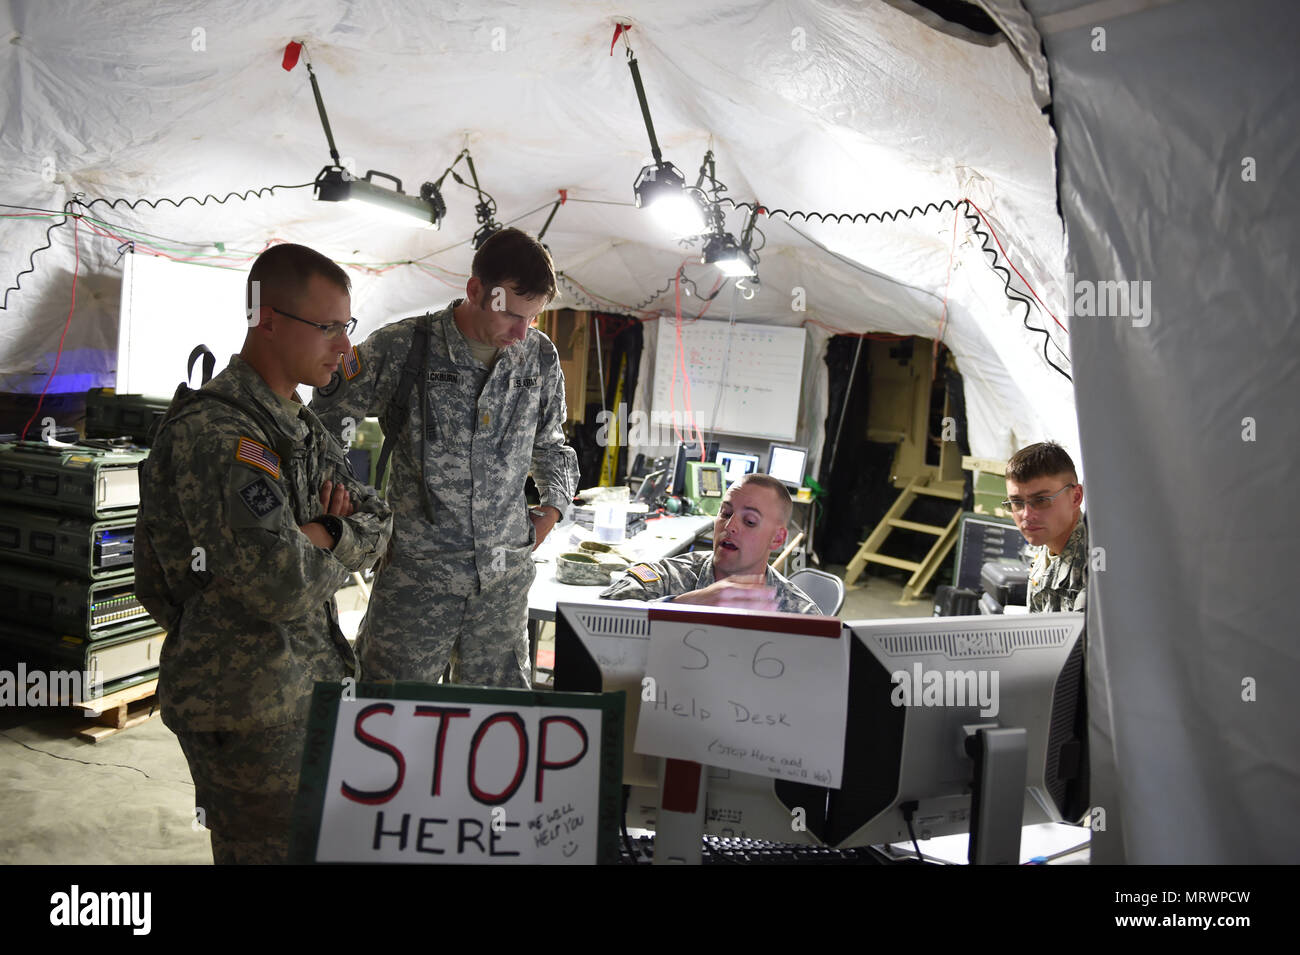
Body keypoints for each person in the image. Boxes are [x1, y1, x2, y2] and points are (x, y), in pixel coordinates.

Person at [134, 243, 394, 864]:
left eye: (347, 326)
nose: (345, 346)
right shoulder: (219, 433)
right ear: (269, 319)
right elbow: (280, 583)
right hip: (248, 710)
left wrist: (319, 532)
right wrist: (334, 533)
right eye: (328, 327)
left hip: (306, 691)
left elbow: (380, 518)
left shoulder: (296, 424)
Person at [312, 227, 579, 688]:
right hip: (417, 584)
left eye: (532, 318)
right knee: (388, 713)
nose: (521, 332)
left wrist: (552, 509)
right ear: (475, 290)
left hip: (501, 586)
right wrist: (357, 511)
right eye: (512, 315)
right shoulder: (404, 347)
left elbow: (552, 444)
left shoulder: (538, 357)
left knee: (498, 721)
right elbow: (323, 430)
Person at [600, 474, 821, 614]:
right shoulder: (669, 577)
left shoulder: (799, 613)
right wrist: (685, 605)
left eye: (750, 521)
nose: (730, 526)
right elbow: (601, 615)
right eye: (726, 513)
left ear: (777, 539)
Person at [1004, 441, 1088, 612]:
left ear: (1076, 497)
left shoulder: (1096, 566)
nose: (1026, 515)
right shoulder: (1045, 550)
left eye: (1041, 500)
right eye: (1017, 502)